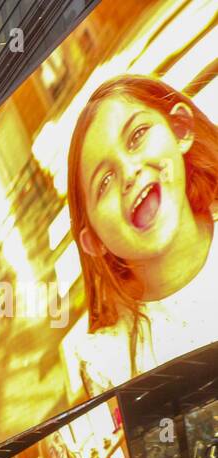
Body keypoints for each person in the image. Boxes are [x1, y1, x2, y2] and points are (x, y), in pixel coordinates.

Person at [67, 75, 218, 396]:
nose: (129, 171)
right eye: (104, 181)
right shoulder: (105, 363)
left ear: (180, 129)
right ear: (95, 242)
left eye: (137, 136)